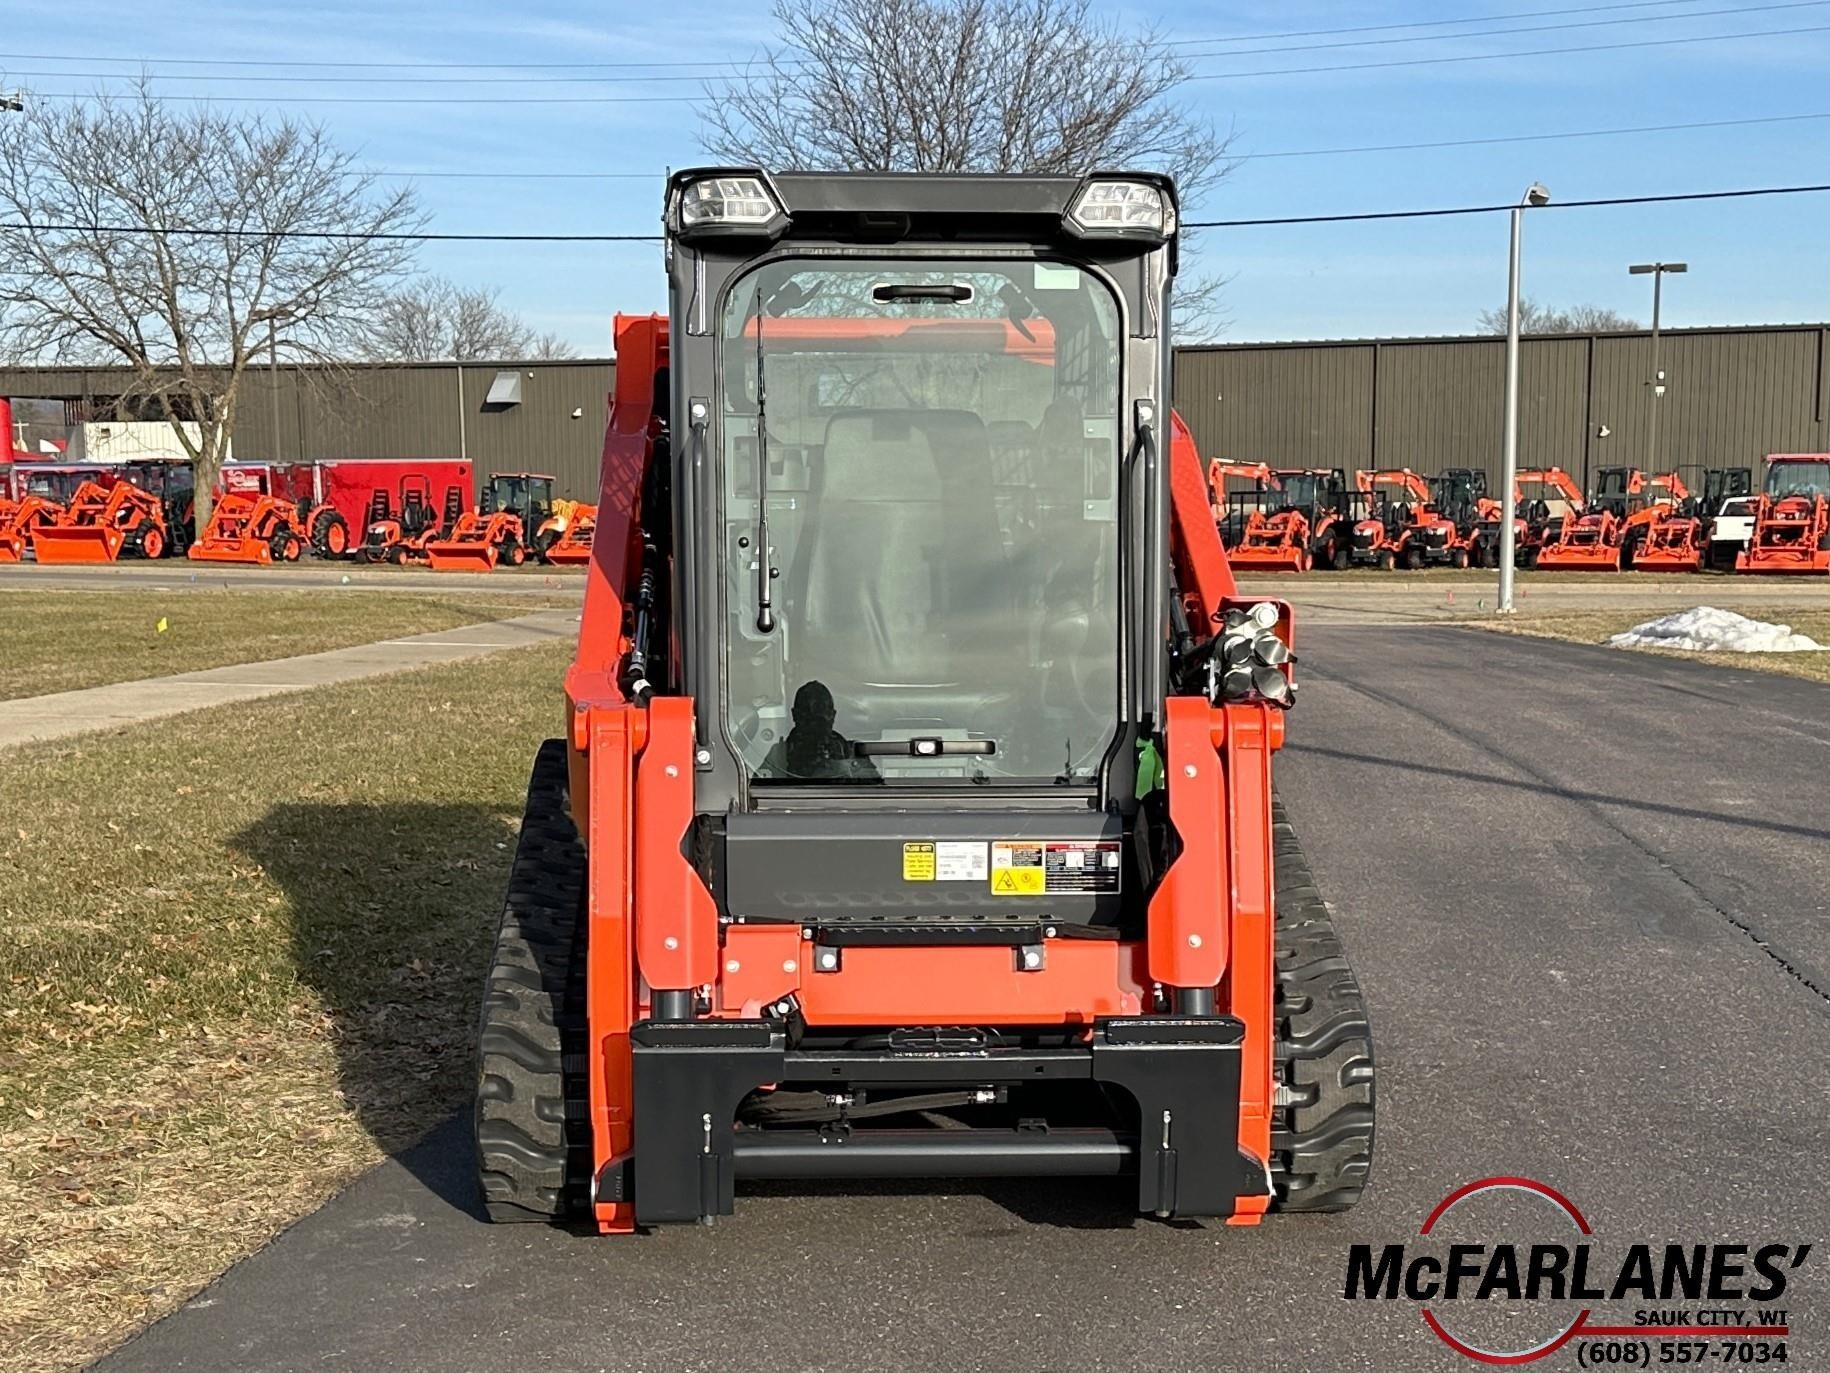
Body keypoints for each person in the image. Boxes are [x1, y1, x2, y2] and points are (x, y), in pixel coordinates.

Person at [762, 680, 878, 780]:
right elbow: (761, 789)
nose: (813, 725)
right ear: (795, 715)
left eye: (820, 719)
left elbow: (874, 791)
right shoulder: (779, 755)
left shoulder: (852, 753)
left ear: (832, 716)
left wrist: (844, 768)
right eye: (807, 715)